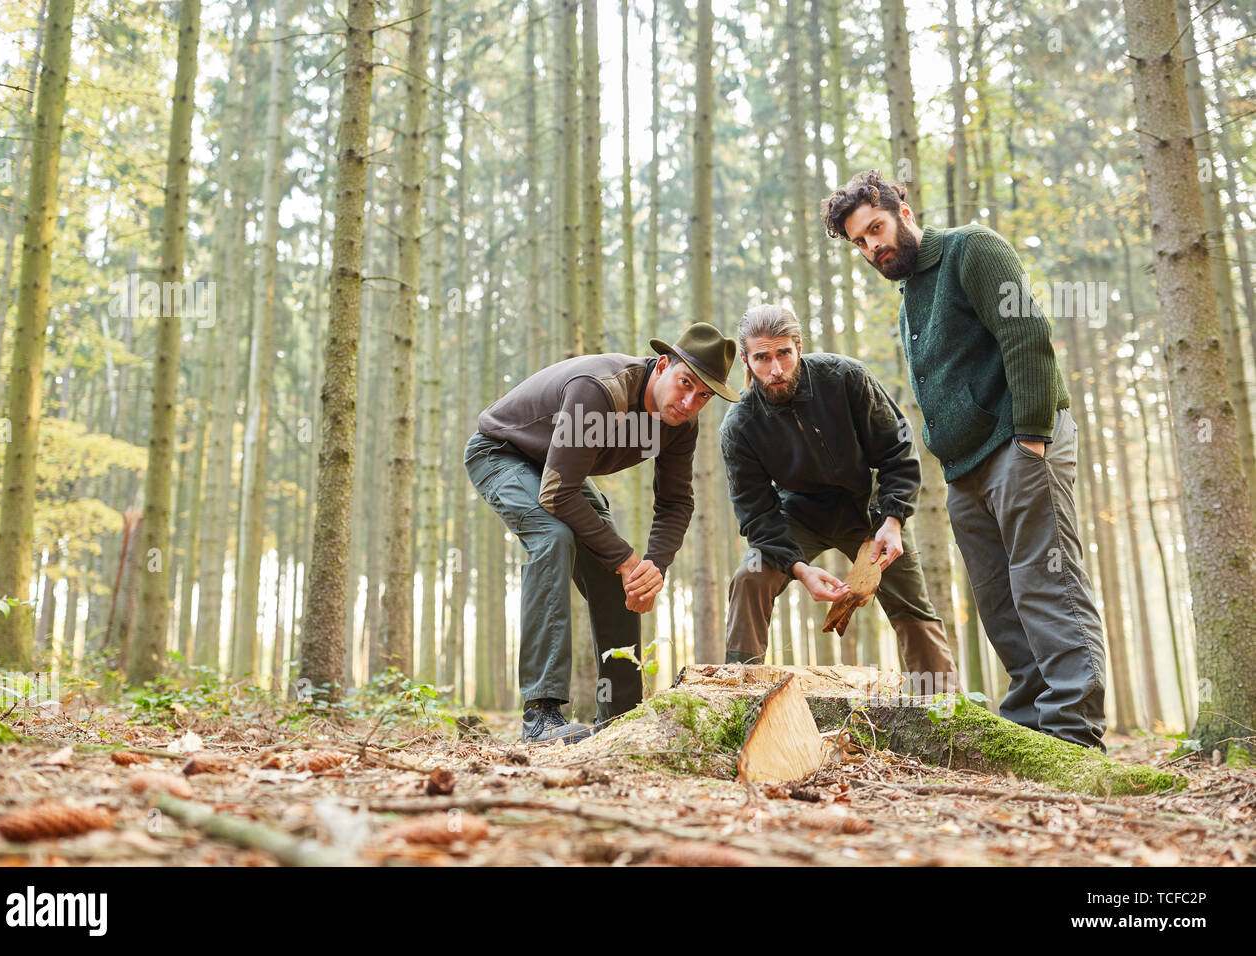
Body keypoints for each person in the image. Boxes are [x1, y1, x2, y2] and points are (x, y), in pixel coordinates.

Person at [823, 169, 1108, 750]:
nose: (873, 246)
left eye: (876, 228)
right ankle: (1034, 732)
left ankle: (1075, 733)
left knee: (1046, 584)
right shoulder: (908, 299)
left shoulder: (971, 250)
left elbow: (1027, 333)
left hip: (1020, 442)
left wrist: (1031, 437)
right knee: (999, 600)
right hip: (965, 471)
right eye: (860, 242)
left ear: (903, 210)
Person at [464, 323, 740, 743]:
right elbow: (558, 494)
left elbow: (676, 503)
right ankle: (540, 715)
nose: (689, 402)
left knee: (616, 569)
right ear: (663, 365)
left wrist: (652, 566)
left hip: (556, 471)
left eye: (703, 396)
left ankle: (620, 715)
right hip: (502, 452)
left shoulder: (679, 424)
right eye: (686, 383)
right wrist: (629, 559)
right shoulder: (600, 391)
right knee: (553, 536)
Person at [720, 304, 958, 691]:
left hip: (869, 509)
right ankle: (737, 695)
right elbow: (756, 515)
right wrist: (799, 568)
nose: (776, 369)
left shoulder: (847, 378)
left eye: (784, 354)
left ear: (799, 346)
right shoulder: (739, 426)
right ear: (746, 360)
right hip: (796, 514)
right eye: (762, 358)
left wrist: (892, 520)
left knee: (912, 601)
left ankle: (947, 712)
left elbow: (897, 451)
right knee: (750, 575)